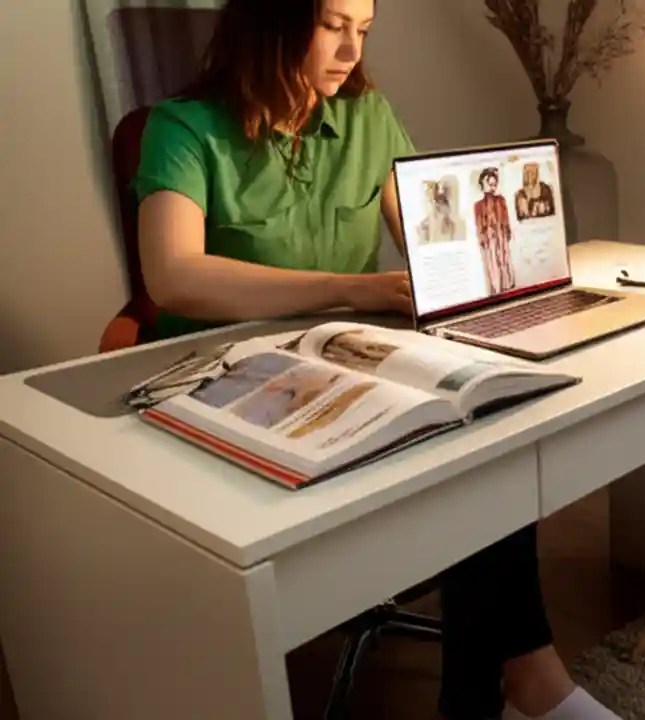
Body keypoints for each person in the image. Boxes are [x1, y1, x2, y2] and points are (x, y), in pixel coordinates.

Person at [133, 2, 620, 719]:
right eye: (333, 24)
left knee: (488, 425)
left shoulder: (366, 116)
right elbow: (174, 277)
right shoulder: (182, 127)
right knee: (466, 457)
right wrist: (351, 287)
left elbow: (428, 242)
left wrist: (507, 279)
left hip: (348, 356)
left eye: (363, 31)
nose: (350, 49)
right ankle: (528, 685)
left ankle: (503, 687)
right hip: (232, 376)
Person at [473, 167, 517, 294]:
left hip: (501, 235)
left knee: (504, 258)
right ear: (482, 183)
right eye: (489, 184)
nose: (492, 187)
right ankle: (496, 287)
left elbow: (505, 218)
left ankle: (507, 284)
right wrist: (482, 237)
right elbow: (479, 223)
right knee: (492, 261)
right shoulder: (478, 205)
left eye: (494, 184)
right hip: (490, 237)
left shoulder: (500, 200)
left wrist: (507, 232)